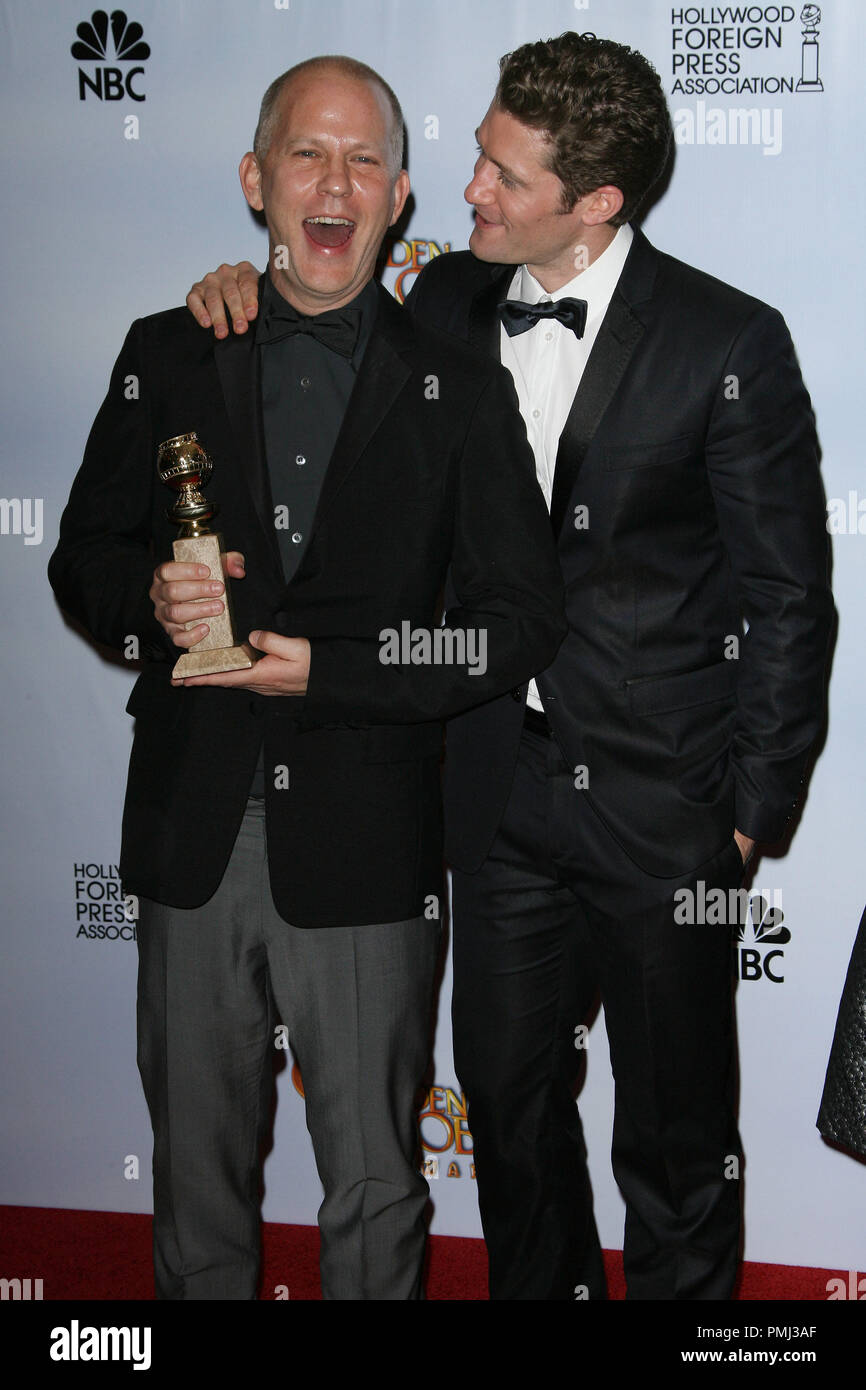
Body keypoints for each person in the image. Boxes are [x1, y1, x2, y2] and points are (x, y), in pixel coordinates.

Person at [186, 32, 833, 1300]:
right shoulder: (442, 304)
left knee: (676, 1138)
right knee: (512, 1115)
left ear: (593, 204)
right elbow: (317, 336)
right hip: (491, 794)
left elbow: (786, 598)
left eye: (500, 175)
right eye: (477, 155)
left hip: (665, 810)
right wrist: (239, 284)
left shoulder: (728, 340)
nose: (463, 190)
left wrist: (750, 824)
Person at [48, 55, 566, 1301]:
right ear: (255, 181)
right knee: (196, 1176)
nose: (335, 182)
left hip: (368, 839)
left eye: (365, 160)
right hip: (190, 830)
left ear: (396, 197)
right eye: (306, 155)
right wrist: (158, 616)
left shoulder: (457, 388)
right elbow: (83, 562)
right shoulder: (167, 349)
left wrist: (335, 674)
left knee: (377, 1184)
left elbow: (509, 628)